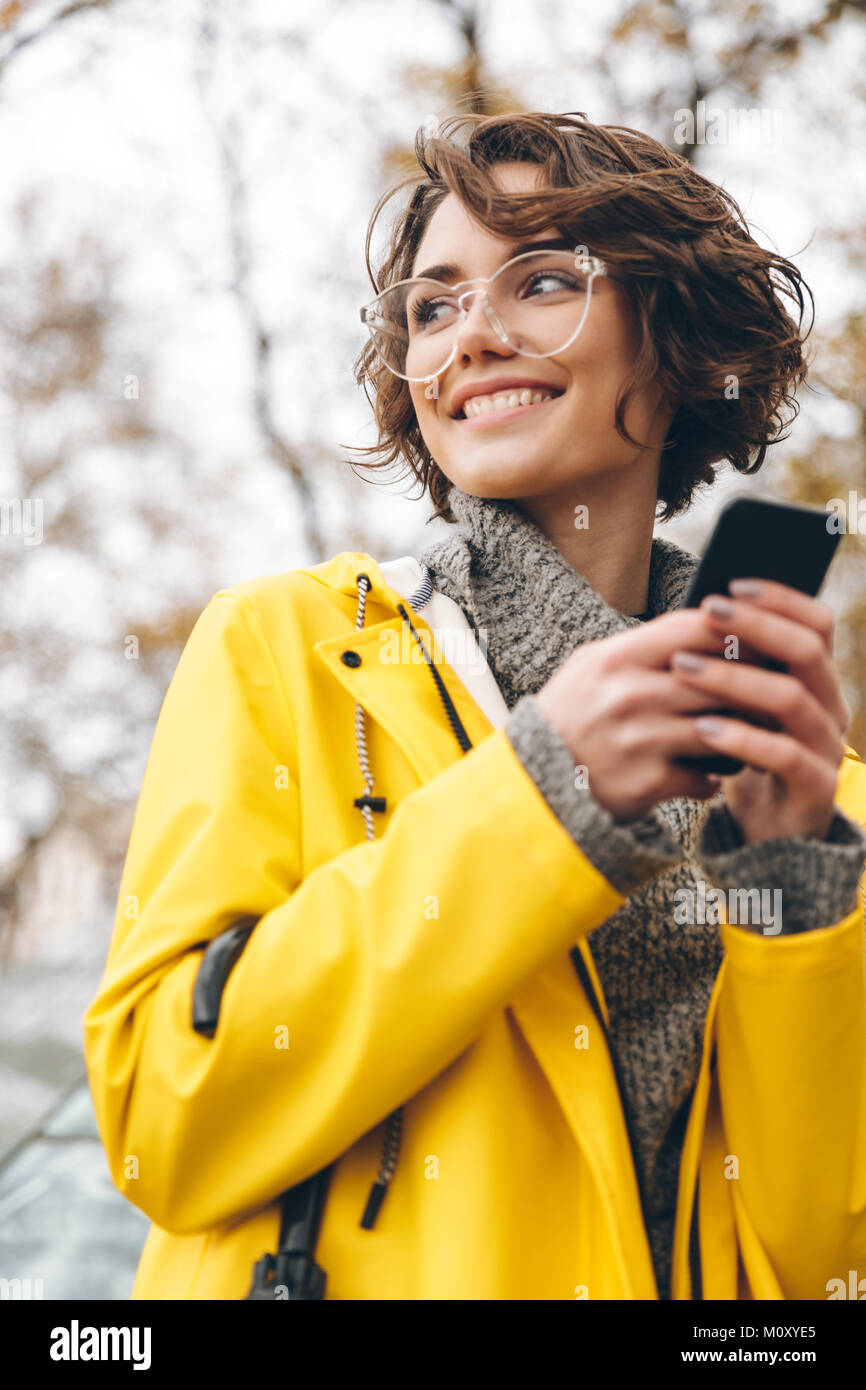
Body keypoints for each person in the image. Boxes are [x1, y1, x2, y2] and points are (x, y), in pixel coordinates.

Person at [83, 110, 866, 1300]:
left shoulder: (819, 791)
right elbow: (159, 1117)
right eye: (431, 307)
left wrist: (794, 881)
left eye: (541, 281)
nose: (473, 337)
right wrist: (544, 797)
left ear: (672, 342)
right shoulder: (287, 647)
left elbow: (819, 1265)